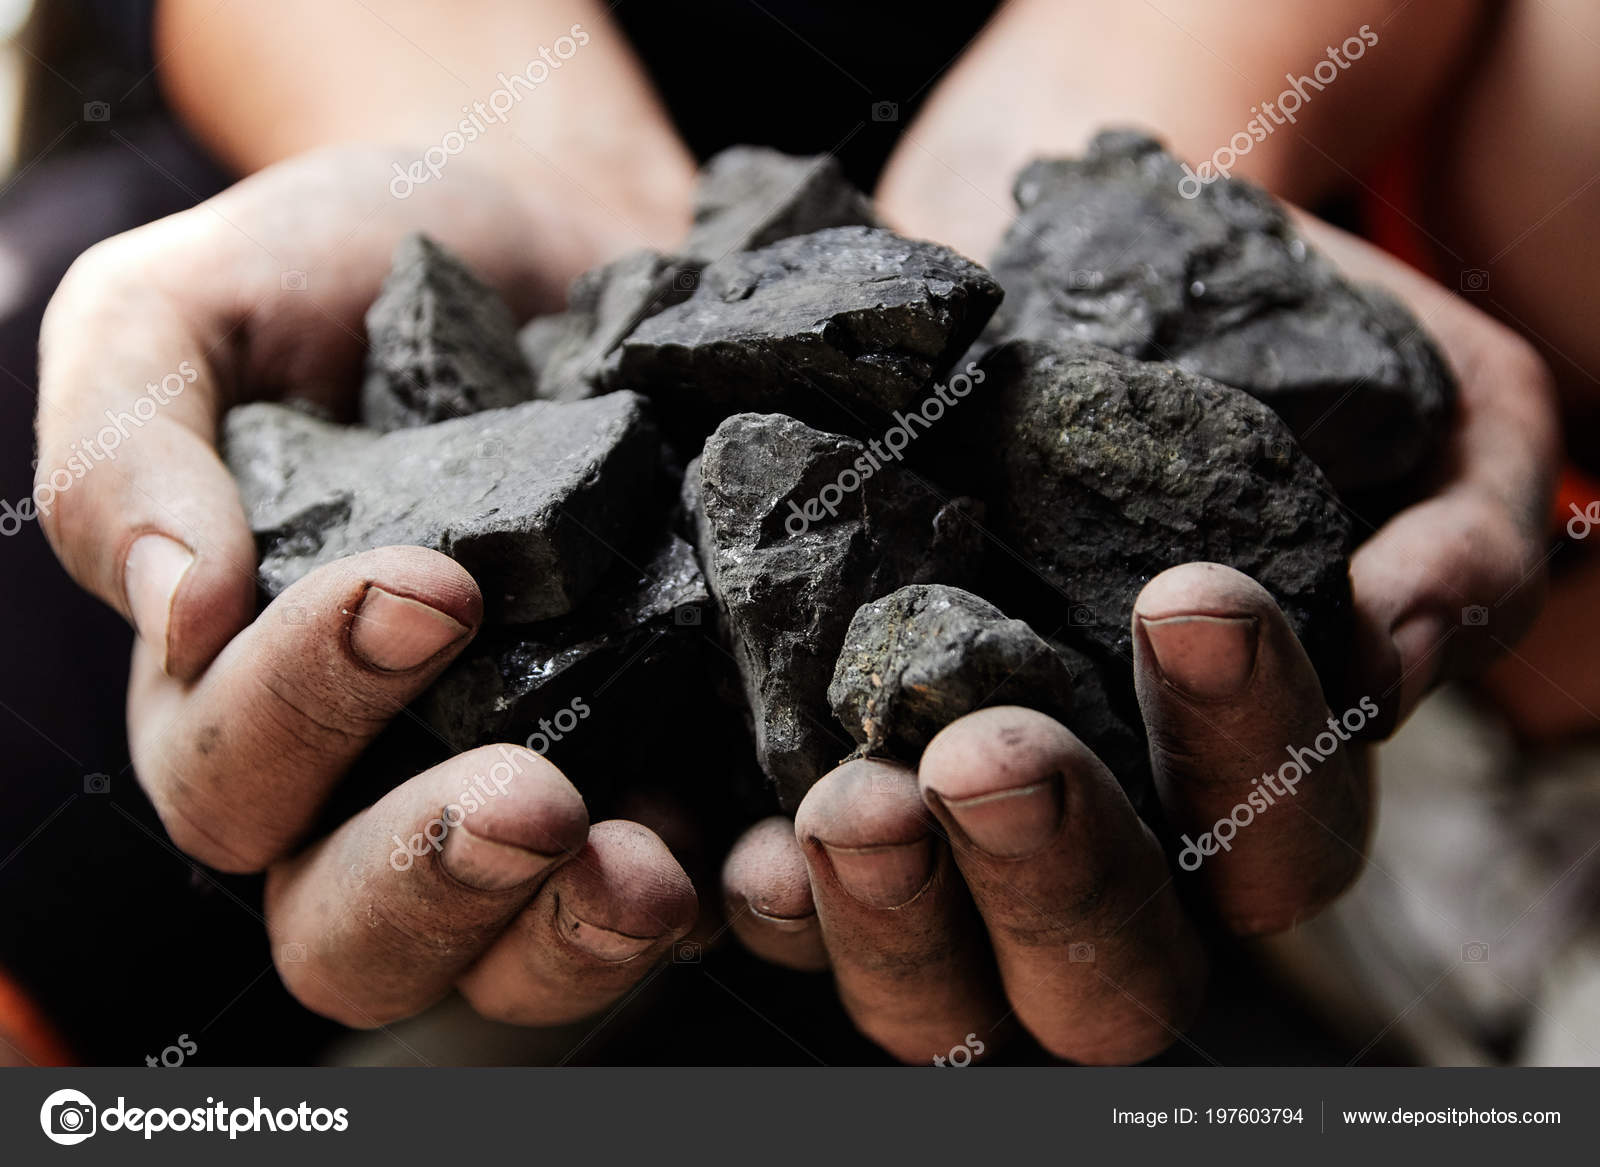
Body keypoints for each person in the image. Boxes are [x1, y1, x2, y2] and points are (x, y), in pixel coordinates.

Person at [28, 0, 1587, 1063]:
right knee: (65, 817)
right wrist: (482, 142)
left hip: (1287, 94)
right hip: (417, 87)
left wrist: (1130, 130)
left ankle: (1501, 744)